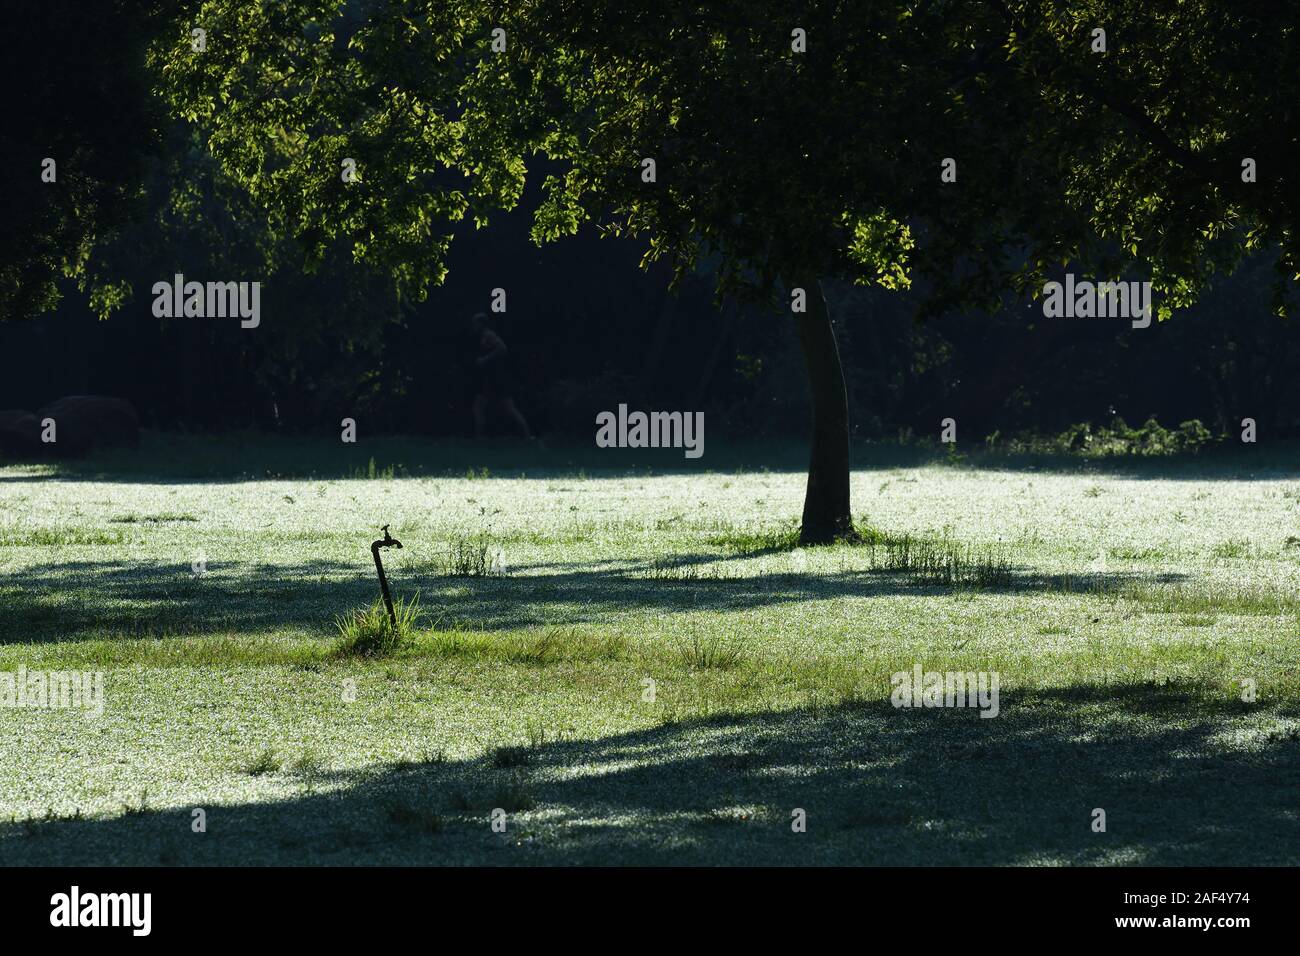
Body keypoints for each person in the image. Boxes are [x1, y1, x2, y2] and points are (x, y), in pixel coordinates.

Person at [470, 312, 533, 438]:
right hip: (492, 379)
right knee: (481, 406)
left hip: (497, 379)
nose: (473, 326)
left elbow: (503, 348)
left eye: (475, 323)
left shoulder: (489, 335)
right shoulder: (484, 336)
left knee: (507, 409)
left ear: (481, 323)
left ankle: (528, 435)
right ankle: (480, 438)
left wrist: (485, 359)